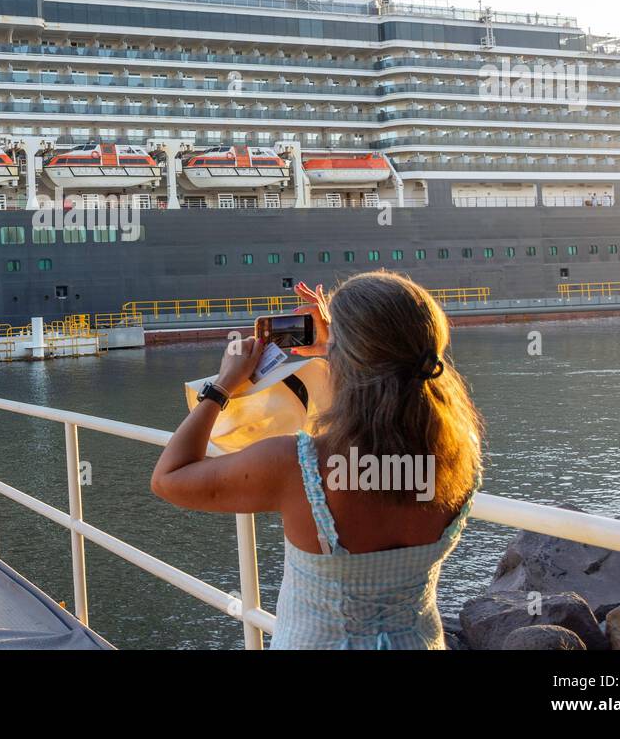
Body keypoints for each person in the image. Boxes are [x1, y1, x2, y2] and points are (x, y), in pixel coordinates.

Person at [151, 272, 484, 649]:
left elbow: (169, 477)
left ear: (347, 357)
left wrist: (223, 385)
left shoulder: (298, 464)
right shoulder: (461, 454)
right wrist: (339, 348)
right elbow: (388, 390)